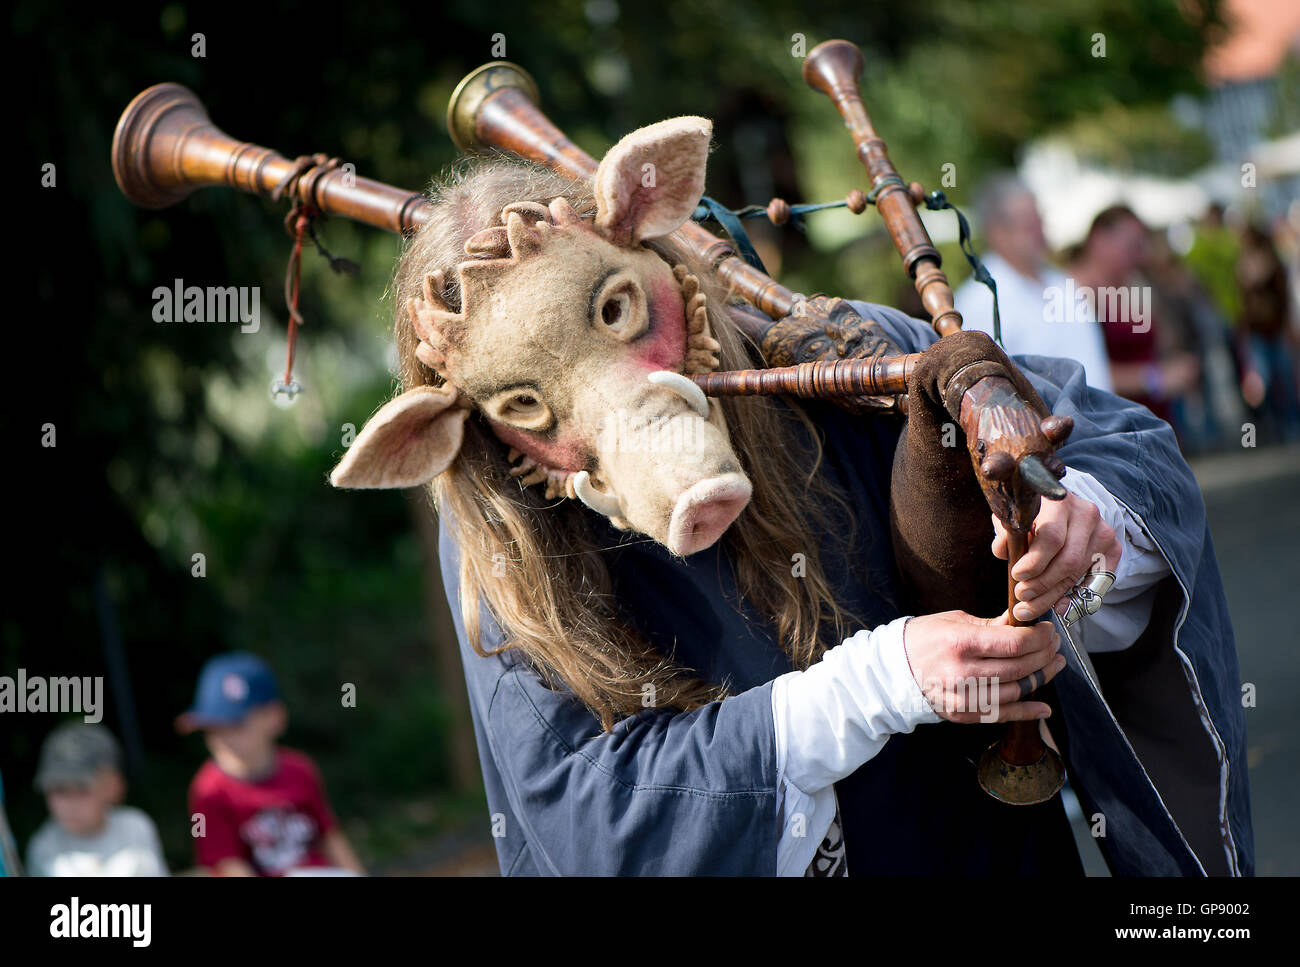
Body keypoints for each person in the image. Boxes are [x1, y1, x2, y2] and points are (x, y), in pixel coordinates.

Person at [330, 119, 1251, 876]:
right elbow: (592, 818)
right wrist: (875, 684)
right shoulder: (503, 540)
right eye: (531, 402)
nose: (616, 394)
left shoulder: (834, 354)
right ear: (461, 428)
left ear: (643, 235)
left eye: (621, 312)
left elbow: (1120, 439)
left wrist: (1087, 525)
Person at [178, 652, 365, 876]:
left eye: (235, 724)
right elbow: (226, 865)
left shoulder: (300, 769)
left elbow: (330, 837)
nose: (224, 738)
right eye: (213, 727)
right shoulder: (209, 790)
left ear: (275, 718)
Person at [954, 172, 1113, 392]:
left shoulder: (1061, 281)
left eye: (1039, 220)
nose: (1039, 231)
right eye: (1028, 224)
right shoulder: (977, 301)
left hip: (1102, 422)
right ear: (997, 232)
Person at [1069, 205, 1200, 425]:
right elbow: (1080, 371)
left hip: (1154, 418)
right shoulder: (1076, 291)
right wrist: (1154, 378)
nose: (1139, 254)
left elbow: (1160, 337)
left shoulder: (1134, 281)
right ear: (1099, 240)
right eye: (1131, 246)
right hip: (1111, 424)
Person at [24, 723, 167, 877]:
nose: (69, 804)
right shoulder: (43, 847)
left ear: (112, 785)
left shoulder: (136, 827)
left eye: (81, 790)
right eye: (59, 790)